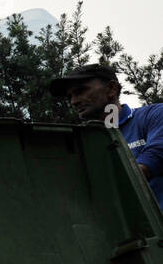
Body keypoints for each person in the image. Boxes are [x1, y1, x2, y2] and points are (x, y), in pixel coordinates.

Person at [49, 63, 163, 209]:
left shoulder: (152, 115)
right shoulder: (83, 144)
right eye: (70, 96)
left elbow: (157, 154)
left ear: (111, 89)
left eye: (81, 90)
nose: (73, 101)